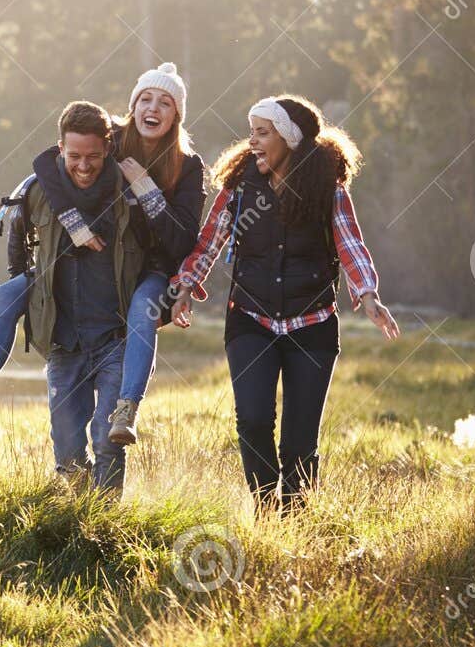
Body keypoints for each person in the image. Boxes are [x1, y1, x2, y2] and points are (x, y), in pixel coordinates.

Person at [0, 63, 203, 442]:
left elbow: (182, 240)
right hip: (88, 260)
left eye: (165, 102)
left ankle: (127, 408)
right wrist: (73, 221)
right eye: (145, 99)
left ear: (177, 114)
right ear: (133, 105)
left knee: (142, 308)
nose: (153, 108)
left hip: (148, 267)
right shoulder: (112, 139)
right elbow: (46, 164)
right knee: (5, 294)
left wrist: (145, 186)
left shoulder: (187, 166)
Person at [170, 95, 400, 512]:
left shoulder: (327, 190)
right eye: (252, 131)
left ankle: (295, 516)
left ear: (289, 138)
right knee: (254, 420)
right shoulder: (239, 188)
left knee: (300, 439)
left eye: (263, 132)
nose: (253, 141)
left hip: (311, 325)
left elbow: (351, 245)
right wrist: (186, 284)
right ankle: (264, 506)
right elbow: (210, 240)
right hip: (250, 320)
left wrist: (368, 295)